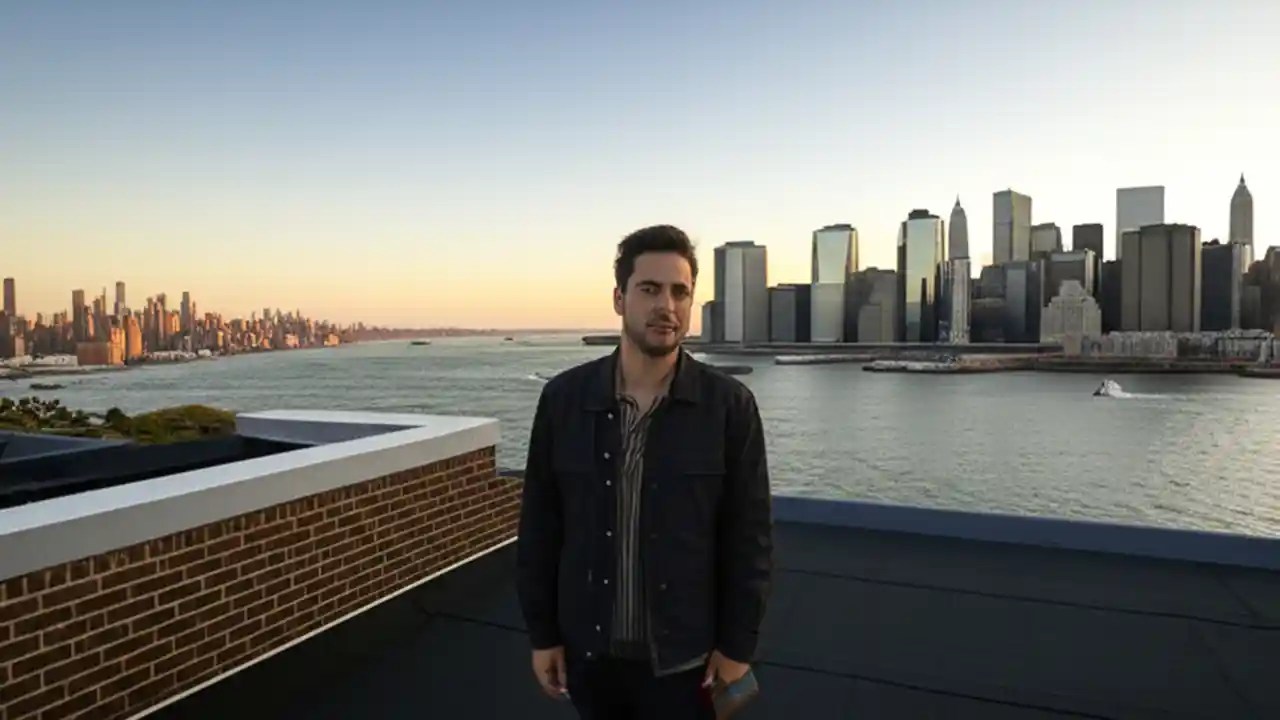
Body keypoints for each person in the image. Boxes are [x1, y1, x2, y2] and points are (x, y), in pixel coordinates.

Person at [516, 224, 774, 719]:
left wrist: (738, 647)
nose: (668, 307)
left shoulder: (728, 408)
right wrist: (543, 634)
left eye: (681, 292)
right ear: (619, 298)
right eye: (650, 289)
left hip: (686, 661)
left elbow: (750, 539)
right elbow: (541, 527)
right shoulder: (564, 401)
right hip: (589, 655)